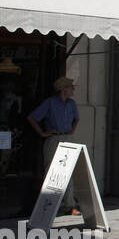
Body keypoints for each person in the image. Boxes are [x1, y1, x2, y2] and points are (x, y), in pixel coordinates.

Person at [27, 76, 80, 213]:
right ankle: (47, 206)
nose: (73, 90)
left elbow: (76, 119)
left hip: (68, 137)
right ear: (63, 89)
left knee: (69, 171)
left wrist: (72, 129)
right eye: (70, 87)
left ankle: (69, 205)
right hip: (54, 138)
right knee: (51, 171)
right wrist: (42, 133)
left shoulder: (72, 103)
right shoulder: (50, 103)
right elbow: (32, 118)